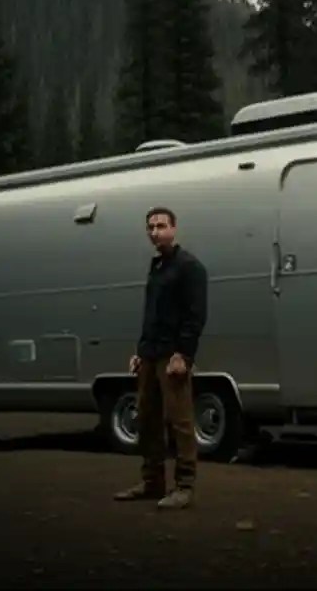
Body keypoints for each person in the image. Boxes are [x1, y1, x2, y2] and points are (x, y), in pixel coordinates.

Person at [114, 206, 208, 510]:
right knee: (148, 419)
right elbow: (151, 316)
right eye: (150, 227)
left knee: (179, 422)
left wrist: (183, 354)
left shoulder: (189, 267)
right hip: (150, 355)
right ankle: (153, 482)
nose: (155, 232)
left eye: (161, 226)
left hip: (172, 357)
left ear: (174, 228)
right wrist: (140, 353)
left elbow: (195, 316)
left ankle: (185, 486)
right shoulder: (156, 268)